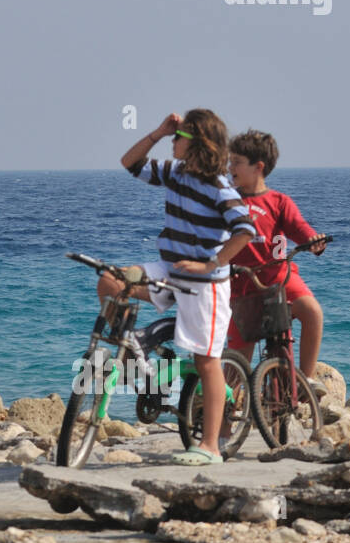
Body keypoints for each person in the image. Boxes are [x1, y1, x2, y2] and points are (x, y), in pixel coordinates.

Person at [99, 109, 256, 465]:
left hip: (205, 286)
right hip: (169, 270)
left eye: (179, 137)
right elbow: (129, 162)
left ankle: (211, 447)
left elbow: (246, 230)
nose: (173, 142)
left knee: (207, 362)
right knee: (110, 281)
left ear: (197, 144)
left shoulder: (220, 187)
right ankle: (128, 348)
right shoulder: (174, 173)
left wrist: (211, 263)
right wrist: (157, 131)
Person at [226, 129, 327, 379]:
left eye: (236, 162)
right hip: (242, 290)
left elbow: (299, 227)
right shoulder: (227, 202)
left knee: (312, 311)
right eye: (230, 161)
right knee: (234, 372)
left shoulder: (279, 201)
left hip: (281, 282)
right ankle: (224, 415)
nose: (230, 167)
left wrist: (314, 241)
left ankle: (308, 379)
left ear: (258, 167)